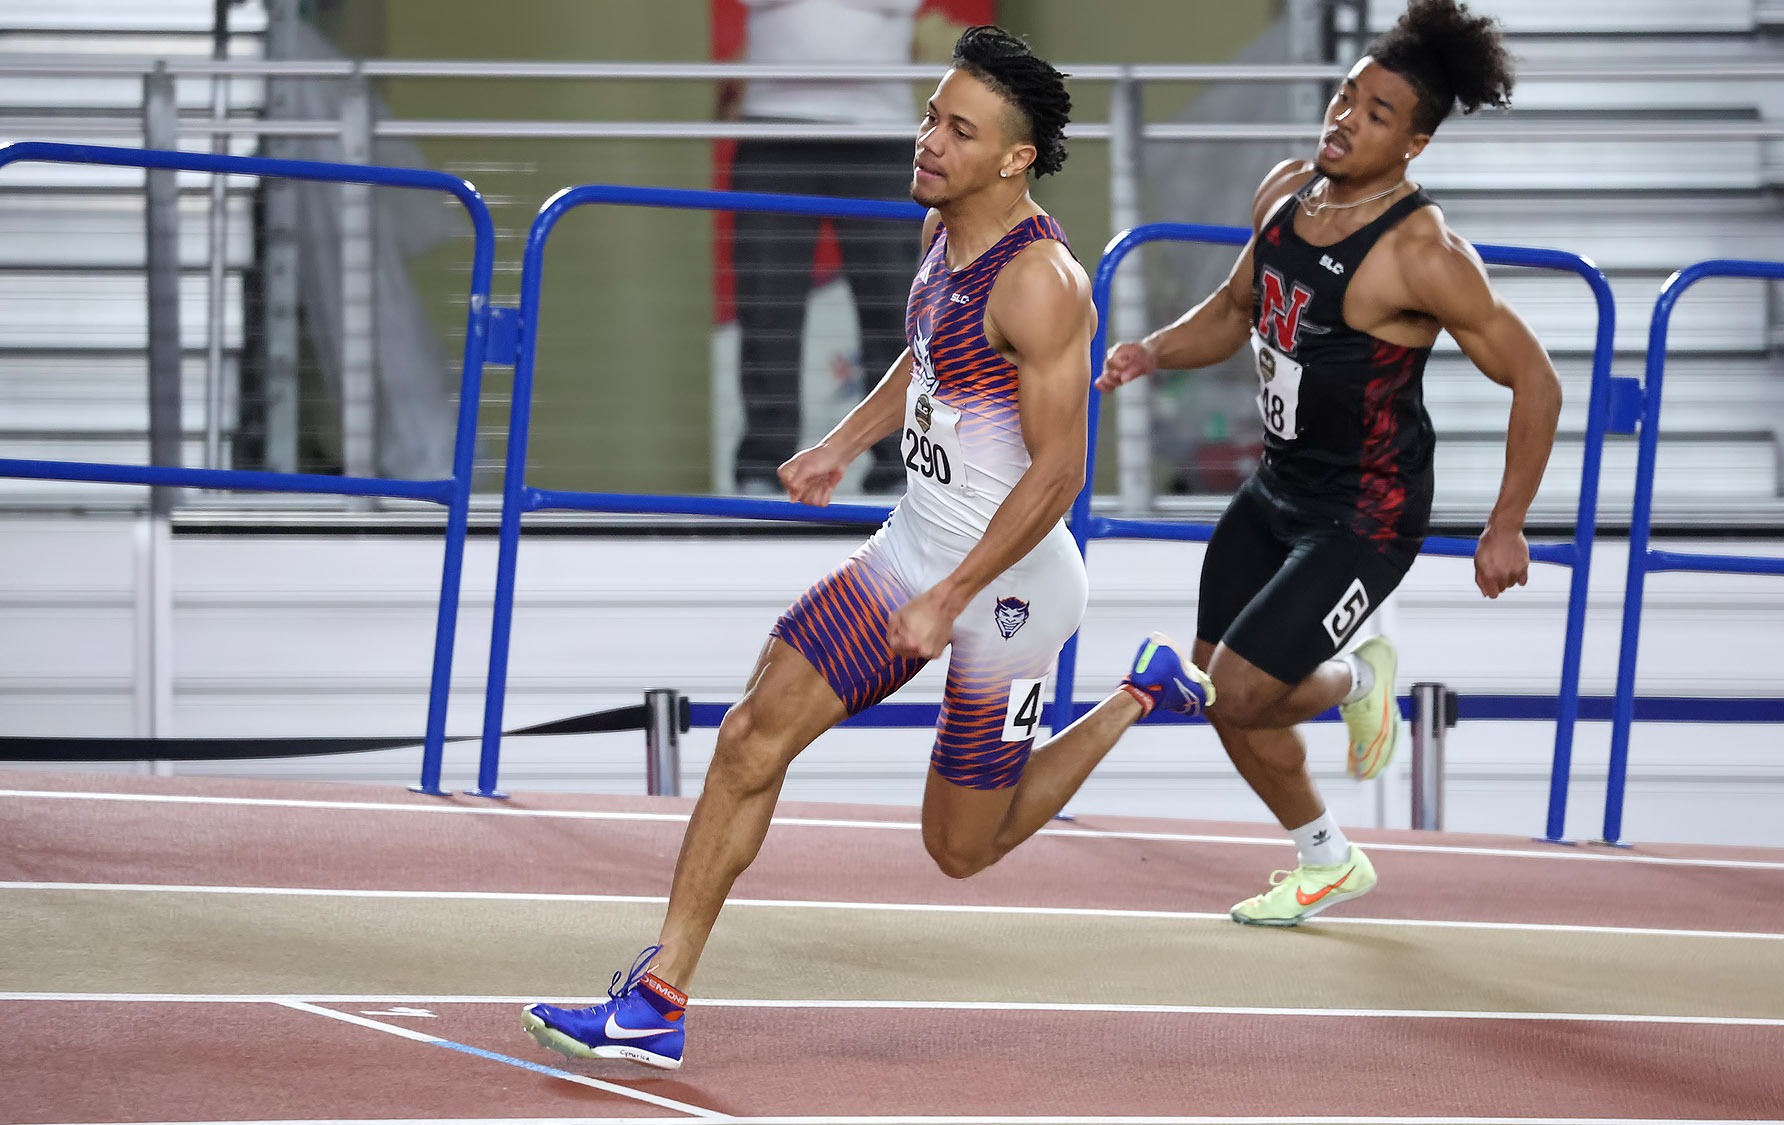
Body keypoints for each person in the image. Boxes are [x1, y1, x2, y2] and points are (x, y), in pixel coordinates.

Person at [520, 26, 1214, 1071]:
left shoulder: (1045, 286)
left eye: (955, 128)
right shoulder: (944, 236)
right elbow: (928, 356)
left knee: (959, 849)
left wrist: (954, 597)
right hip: (912, 548)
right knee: (753, 732)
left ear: (1014, 158)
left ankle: (1135, 694)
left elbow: (1058, 476)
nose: (926, 138)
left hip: (1012, 590)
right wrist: (841, 441)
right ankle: (659, 997)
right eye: (932, 115)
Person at [1098, 0, 1560, 927]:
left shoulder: (1424, 256)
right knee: (1208, 683)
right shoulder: (1283, 190)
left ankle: (1333, 814)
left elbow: (1537, 382)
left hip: (1368, 515)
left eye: (1378, 113)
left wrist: (1505, 522)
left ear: (1416, 144)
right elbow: (1235, 311)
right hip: (1278, 488)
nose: (1347, 117)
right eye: (1348, 95)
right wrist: (1151, 350)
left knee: (1237, 692)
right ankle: (1348, 739)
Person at [723, 0, 938, 494]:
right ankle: (762, 464)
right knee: (766, 303)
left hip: (881, 131)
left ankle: (900, 467)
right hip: (772, 126)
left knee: (895, 306)